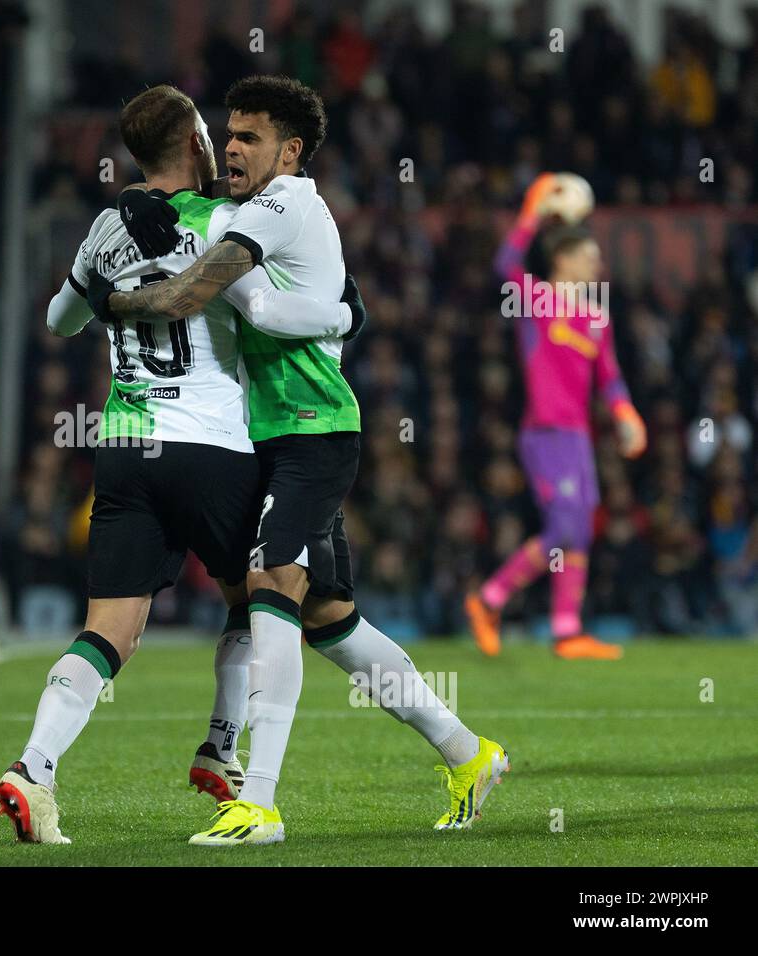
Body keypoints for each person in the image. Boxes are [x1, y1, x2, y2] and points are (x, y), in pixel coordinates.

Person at [102, 76, 508, 845]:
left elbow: (195, 292)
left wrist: (118, 300)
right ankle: (467, 752)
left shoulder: (283, 203)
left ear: (289, 150)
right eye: (226, 133)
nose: (229, 146)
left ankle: (258, 800)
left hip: (315, 433)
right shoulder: (255, 211)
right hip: (271, 437)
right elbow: (320, 297)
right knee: (328, 618)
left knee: (268, 584)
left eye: (249, 136)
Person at [0, 84, 344, 844]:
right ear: (196, 144)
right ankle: (221, 750)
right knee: (258, 601)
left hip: (123, 450)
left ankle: (33, 769)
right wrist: (344, 307)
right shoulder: (227, 221)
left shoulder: (104, 228)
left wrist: (112, 249)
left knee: (109, 632)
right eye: (215, 137)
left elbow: (59, 321)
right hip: (213, 444)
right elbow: (263, 309)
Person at [465, 173, 647, 660]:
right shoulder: (537, 301)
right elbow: (505, 263)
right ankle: (489, 599)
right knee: (563, 527)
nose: (597, 264)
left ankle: (567, 631)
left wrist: (627, 413)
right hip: (544, 433)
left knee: (581, 530)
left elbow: (609, 378)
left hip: (578, 437)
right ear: (564, 260)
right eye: (590, 257)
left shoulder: (597, 316)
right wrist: (532, 215)